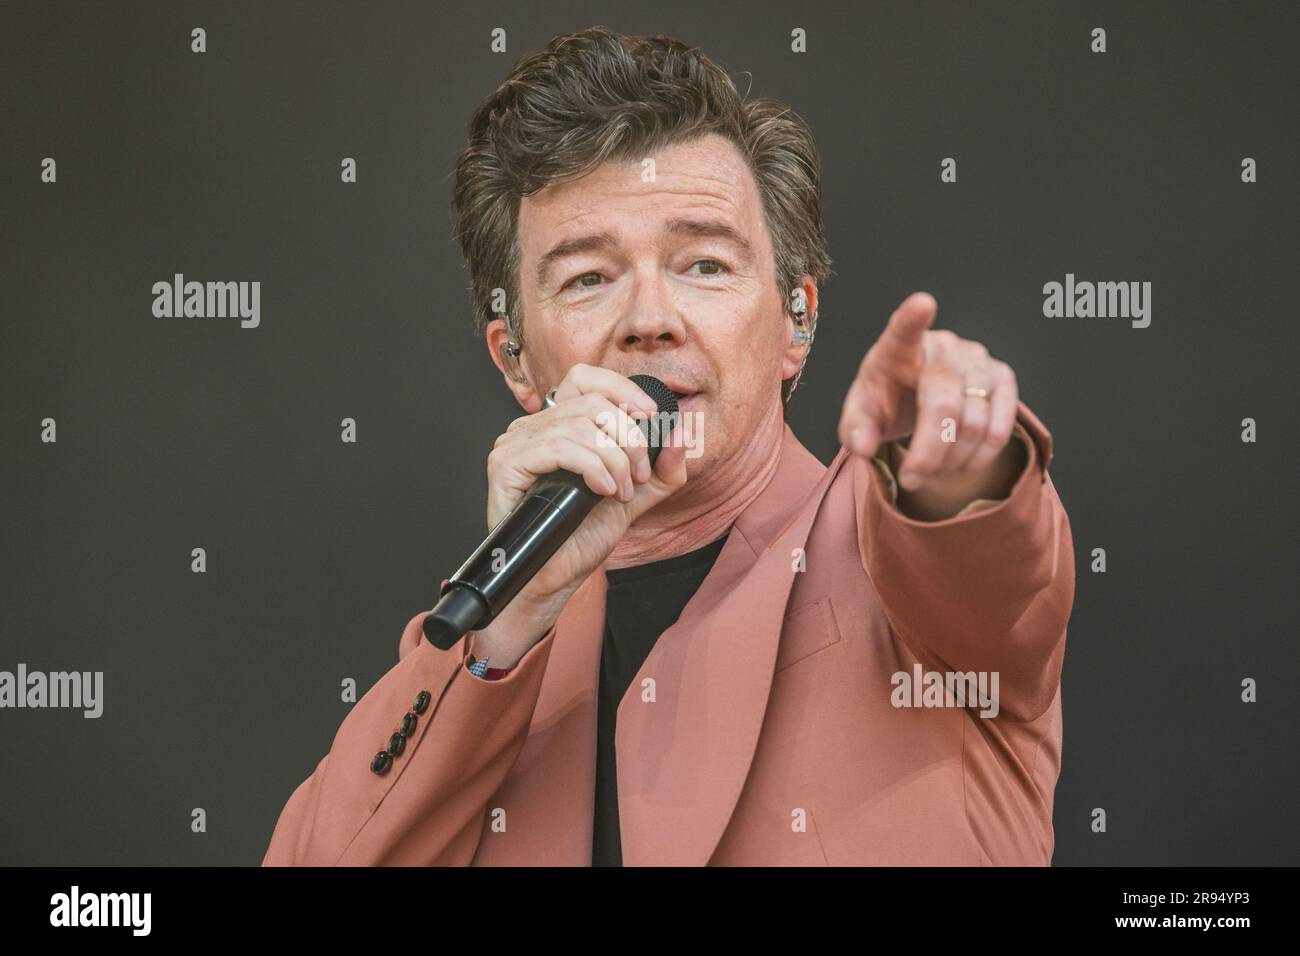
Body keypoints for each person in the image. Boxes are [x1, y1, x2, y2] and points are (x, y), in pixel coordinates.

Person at [263, 26, 1074, 866]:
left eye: (705, 265)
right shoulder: (487, 634)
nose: (650, 320)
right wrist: (506, 635)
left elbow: (989, 565)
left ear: (797, 318)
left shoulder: (892, 554)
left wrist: (961, 467)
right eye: (588, 278)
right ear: (515, 358)